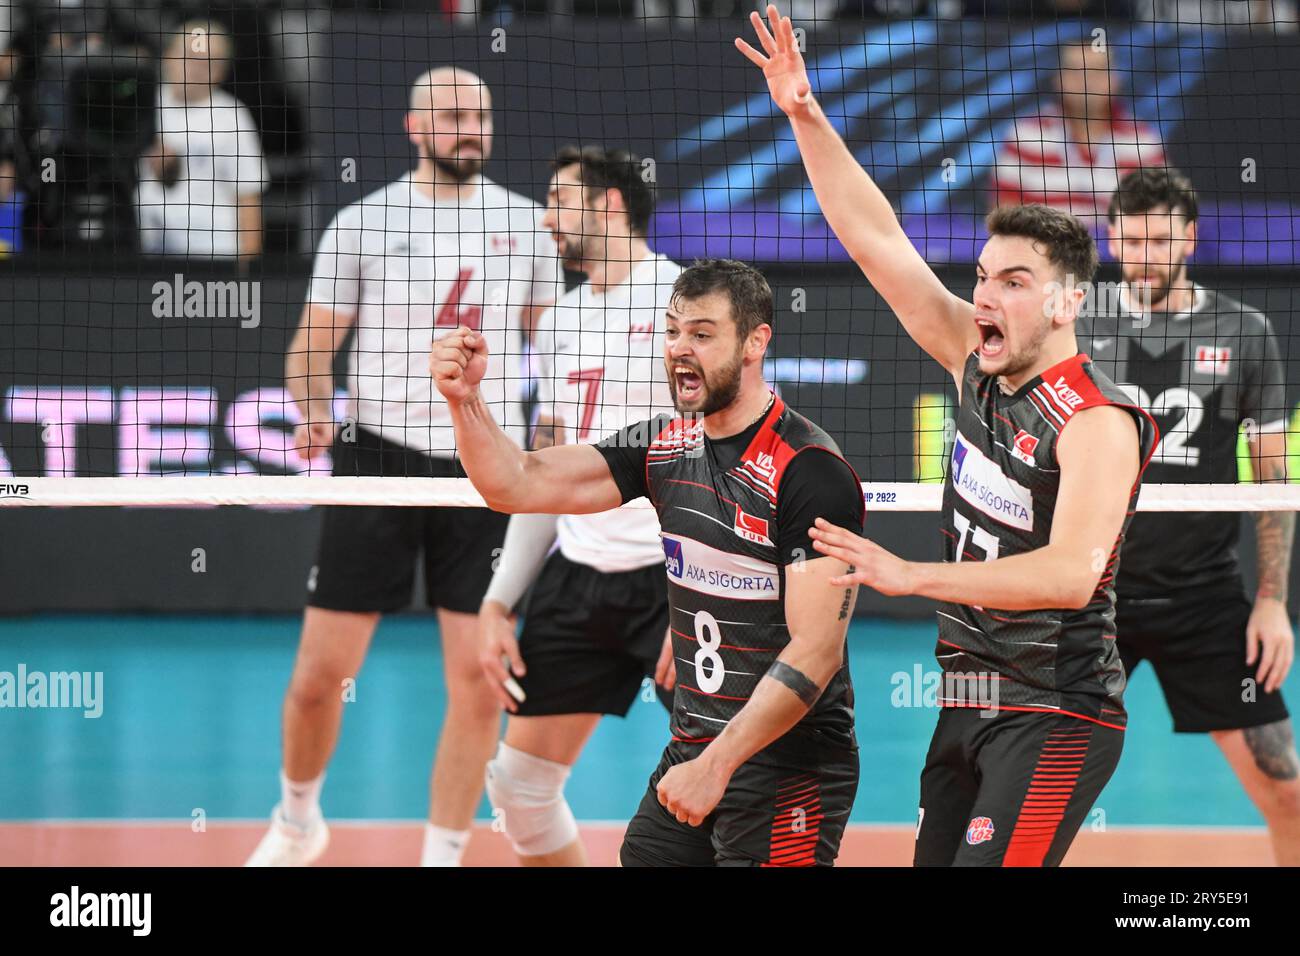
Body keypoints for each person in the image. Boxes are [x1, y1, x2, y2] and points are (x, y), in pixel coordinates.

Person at [738, 4, 1158, 866]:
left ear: (1067, 301)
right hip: (967, 694)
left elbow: (1072, 577)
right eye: (981, 277)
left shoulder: (1097, 422)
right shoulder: (975, 362)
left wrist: (905, 573)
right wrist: (805, 114)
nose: (984, 297)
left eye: (1013, 281)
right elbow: (877, 239)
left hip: (1058, 709)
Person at [433, 258, 866, 867]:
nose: (680, 350)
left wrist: (716, 765)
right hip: (697, 745)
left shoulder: (809, 470)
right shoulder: (664, 443)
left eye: (702, 333)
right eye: (672, 331)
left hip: (787, 760)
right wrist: (466, 402)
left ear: (755, 342)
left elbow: (816, 652)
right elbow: (518, 483)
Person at [247, 66, 559, 867]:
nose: (471, 128)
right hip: (377, 458)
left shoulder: (527, 226)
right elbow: (310, 352)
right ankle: (296, 821)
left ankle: (443, 853)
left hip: (485, 462)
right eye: (453, 115)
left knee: (479, 678)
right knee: (322, 672)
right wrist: (314, 409)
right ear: (413, 127)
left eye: (482, 115)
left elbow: (557, 348)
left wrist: (554, 439)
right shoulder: (362, 222)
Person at [1083, 166, 1300, 865]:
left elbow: (1272, 480)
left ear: (1190, 238)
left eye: (1160, 240)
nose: (1145, 255)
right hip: (1088, 596)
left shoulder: (1245, 332)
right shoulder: (1077, 321)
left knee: (1285, 786)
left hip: (1202, 599)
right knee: (1029, 785)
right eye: (1132, 240)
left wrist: (1271, 601)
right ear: (1111, 238)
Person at [476, 144, 682, 866]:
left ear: (611, 204)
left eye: (561, 199)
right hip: (581, 573)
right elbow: (542, 474)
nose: (547, 218)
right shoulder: (557, 320)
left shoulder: (685, 303)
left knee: (726, 786)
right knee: (518, 790)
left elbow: (733, 462)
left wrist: (700, 601)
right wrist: (501, 601)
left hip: (674, 577)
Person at [990, 38, 1165, 222]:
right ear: (1058, 79)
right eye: (1075, 71)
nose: (1087, 81)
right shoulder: (1024, 137)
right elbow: (1004, 218)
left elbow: (1159, 218)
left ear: (1114, 79)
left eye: (1097, 71)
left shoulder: (1144, 142)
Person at [136, 20, 266, 263]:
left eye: (211, 62)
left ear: (222, 71)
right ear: (168, 57)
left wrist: (249, 267)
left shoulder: (232, 116)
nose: (199, 68)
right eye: (191, 57)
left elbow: (248, 197)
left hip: (215, 257)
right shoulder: (142, 104)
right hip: (146, 254)